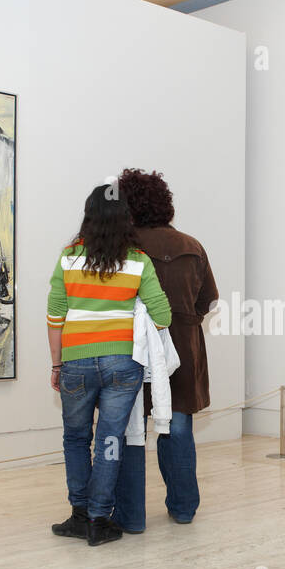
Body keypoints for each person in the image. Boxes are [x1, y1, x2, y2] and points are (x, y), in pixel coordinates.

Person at [47, 184, 172, 546]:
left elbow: (55, 316)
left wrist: (57, 364)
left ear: (88, 215)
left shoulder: (68, 258)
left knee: (75, 438)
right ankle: (100, 521)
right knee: (110, 440)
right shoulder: (138, 261)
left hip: (75, 362)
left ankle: (79, 514)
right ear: (126, 219)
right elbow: (162, 317)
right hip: (122, 364)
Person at [112, 169, 219, 532]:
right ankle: (184, 507)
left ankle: (131, 516)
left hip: (134, 351)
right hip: (183, 353)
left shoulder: (123, 249)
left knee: (131, 431)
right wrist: (184, 323)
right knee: (179, 428)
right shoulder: (192, 245)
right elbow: (209, 300)